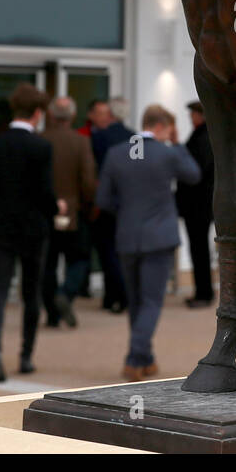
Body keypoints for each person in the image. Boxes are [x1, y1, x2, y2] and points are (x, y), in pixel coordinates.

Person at [95, 104, 201, 381]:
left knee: (136, 301)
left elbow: (103, 200)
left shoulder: (117, 153)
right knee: (152, 302)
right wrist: (177, 145)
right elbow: (193, 175)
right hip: (159, 237)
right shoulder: (167, 154)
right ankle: (134, 357)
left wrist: (128, 211)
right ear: (163, 126)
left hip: (127, 236)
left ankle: (146, 358)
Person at [0, 83, 64, 382]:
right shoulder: (41, 147)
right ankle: (26, 356)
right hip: (33, 228)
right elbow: (45, 192)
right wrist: (57, 208)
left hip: (1, 226)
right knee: (31, 293)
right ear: (37, 113)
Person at [40, 96, 97, 329]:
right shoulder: (80, 142)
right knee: (79, 259)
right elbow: (88, 180)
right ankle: (66, 293)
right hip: (73, 212)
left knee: (48, 264)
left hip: (44, 212)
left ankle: (52, 314)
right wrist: (88, 205)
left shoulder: (40, 139)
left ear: (51, 115)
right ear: (72, 116)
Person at [86, 98, 132, 313]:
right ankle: (115, 295)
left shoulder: (100, 137)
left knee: (108, 252)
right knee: (122, 251)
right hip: (128, 202)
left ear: (110, 115)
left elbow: (95, 170)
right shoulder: (134, 138)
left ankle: (117, 295)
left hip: (106, 202)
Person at [175, 100, 215, 307]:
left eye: (193, 114)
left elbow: (196, 170)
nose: (191, 117)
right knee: (198, 249)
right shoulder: (203, 135)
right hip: (198, 204)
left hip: (198, 204)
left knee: (199, 250)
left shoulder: (203, 137)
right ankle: (202, 291)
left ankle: (204, 293)